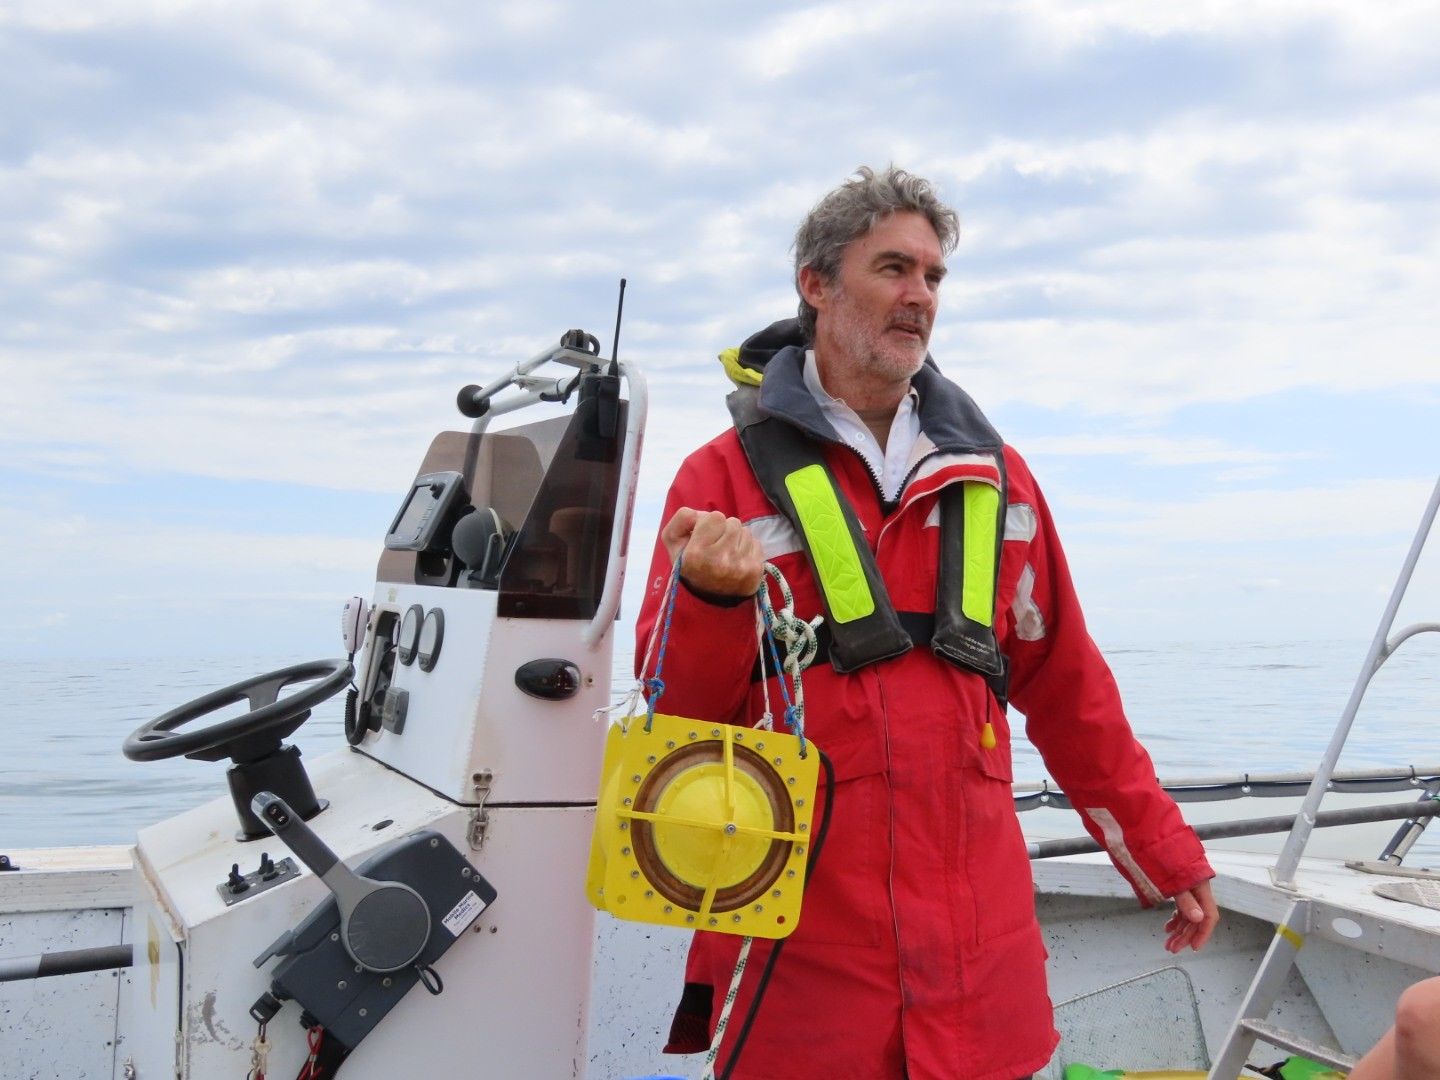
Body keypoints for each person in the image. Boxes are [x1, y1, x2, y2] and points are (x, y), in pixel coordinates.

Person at [635, 166, 1219, 1080]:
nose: (919, 296)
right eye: (894, 269)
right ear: (817, 285)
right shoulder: (720, 480)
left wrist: (1162, 851)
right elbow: (677, 721)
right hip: (804, 956)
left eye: (934, 278)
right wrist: (708, 599)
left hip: (981, 965)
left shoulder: (998, 478)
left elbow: (1069, 688)